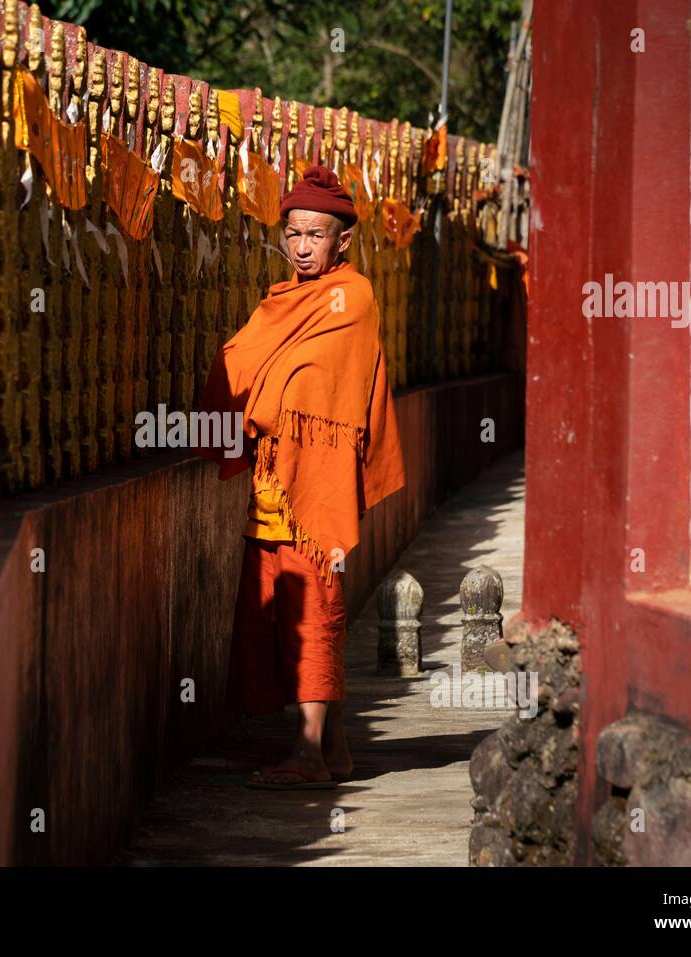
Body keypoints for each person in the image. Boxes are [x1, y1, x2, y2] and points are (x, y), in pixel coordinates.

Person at [194, 165, 406, 789]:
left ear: (344, 241)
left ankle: (310, 753)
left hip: (316, 490)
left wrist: (260, 398)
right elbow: (248, 361)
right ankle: (333, 749)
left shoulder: (353, 298)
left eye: (316, 234)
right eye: (293, 233)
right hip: (273, 487)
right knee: (288, 614)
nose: (303, 246)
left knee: (316, 612)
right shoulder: (284, 299)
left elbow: (308, 384)